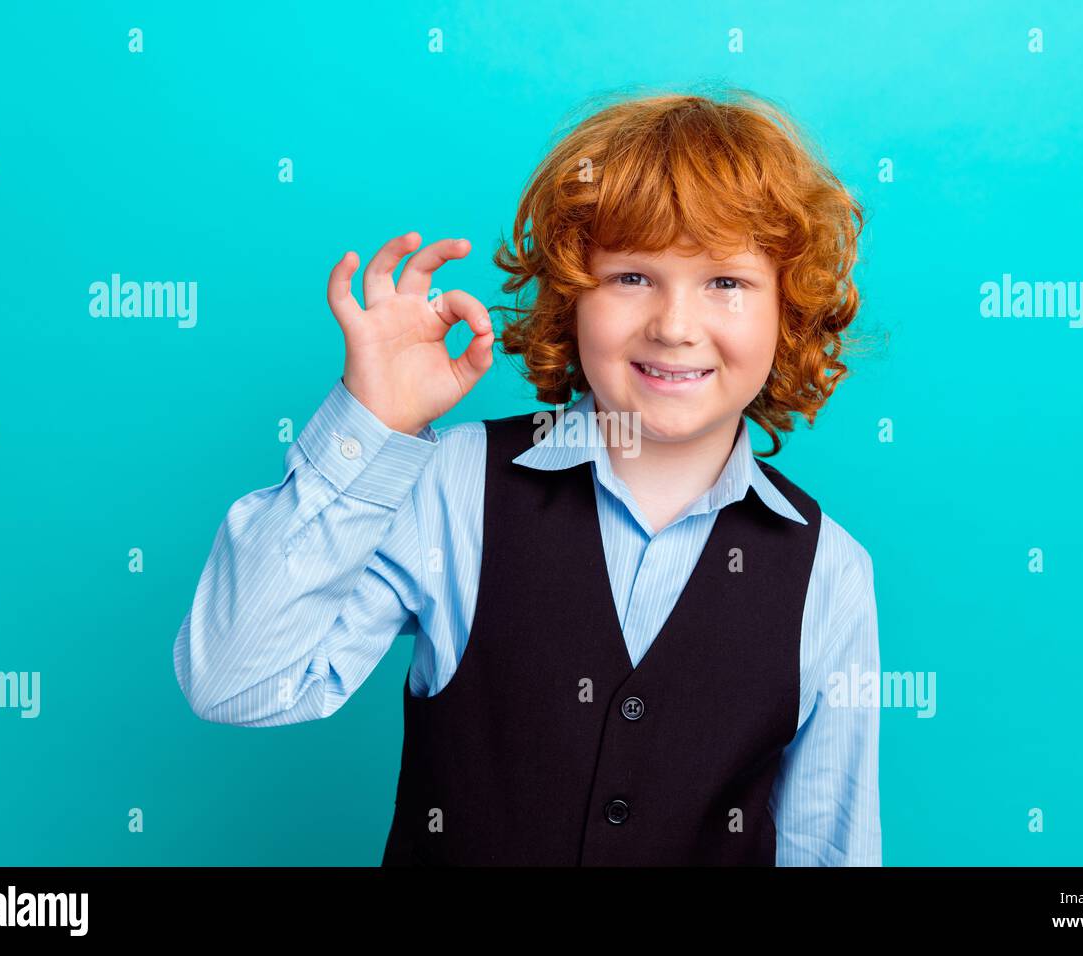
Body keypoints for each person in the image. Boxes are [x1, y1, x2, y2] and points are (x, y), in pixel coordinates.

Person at [174, 89, 881, 866]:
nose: (675, 327)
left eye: (727, 283)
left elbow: (829, 848)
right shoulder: (453, 484)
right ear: (572, 296)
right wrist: (372, 427)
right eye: (632, 277)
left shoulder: (829, 574)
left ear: (790, 311)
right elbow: (235, 683)